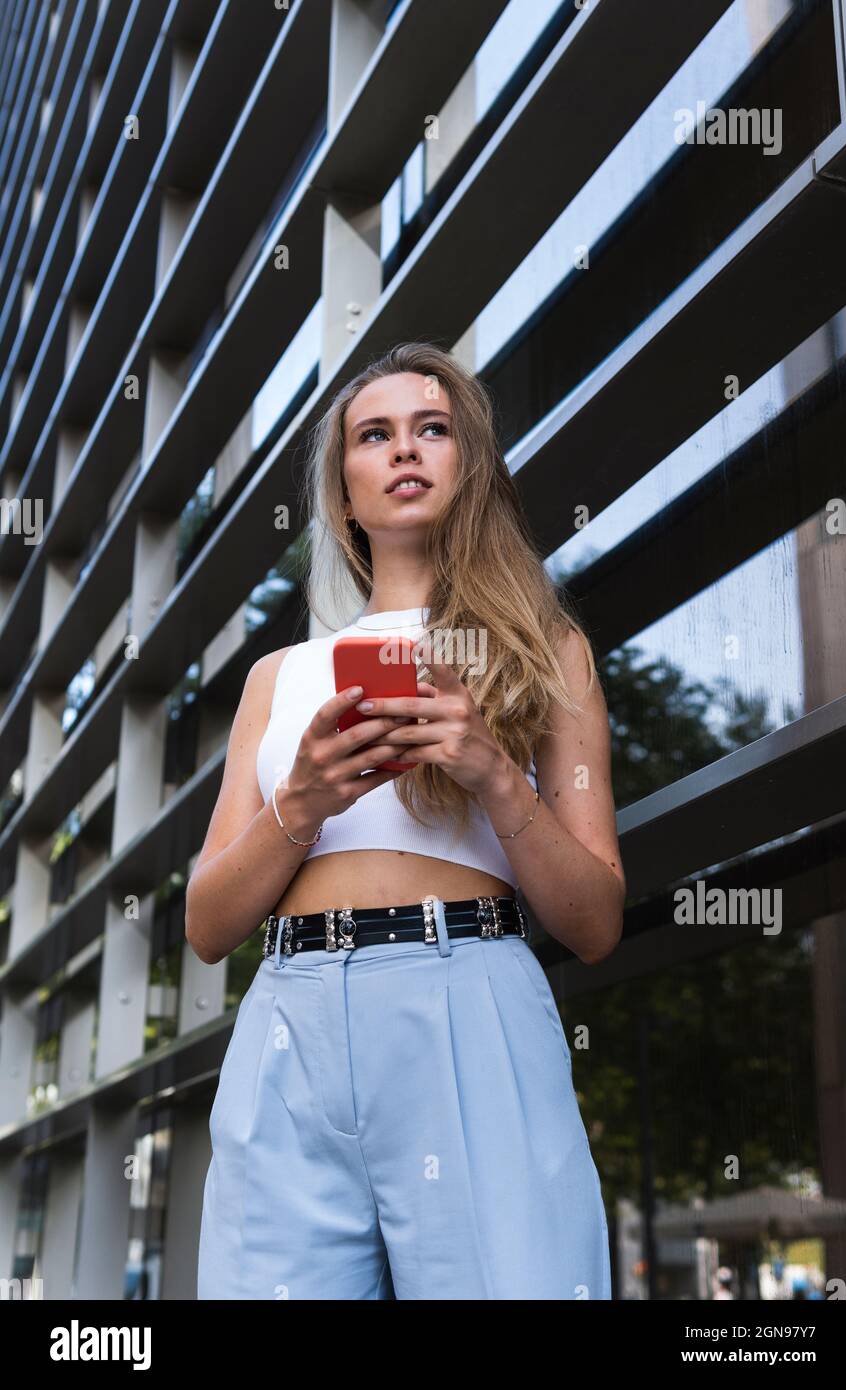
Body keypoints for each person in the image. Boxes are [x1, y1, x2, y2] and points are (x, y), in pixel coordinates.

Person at [188, 341, 625, 1300]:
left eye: (433, 429)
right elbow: (209, 927)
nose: (403, 450)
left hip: (467, 991)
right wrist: (299, 804)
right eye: (373, 435)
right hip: (290, 1018)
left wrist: (494, 777)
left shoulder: (546, 652)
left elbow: (594, 921)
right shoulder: (280, 678)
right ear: (344, 492)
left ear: (468, 464)